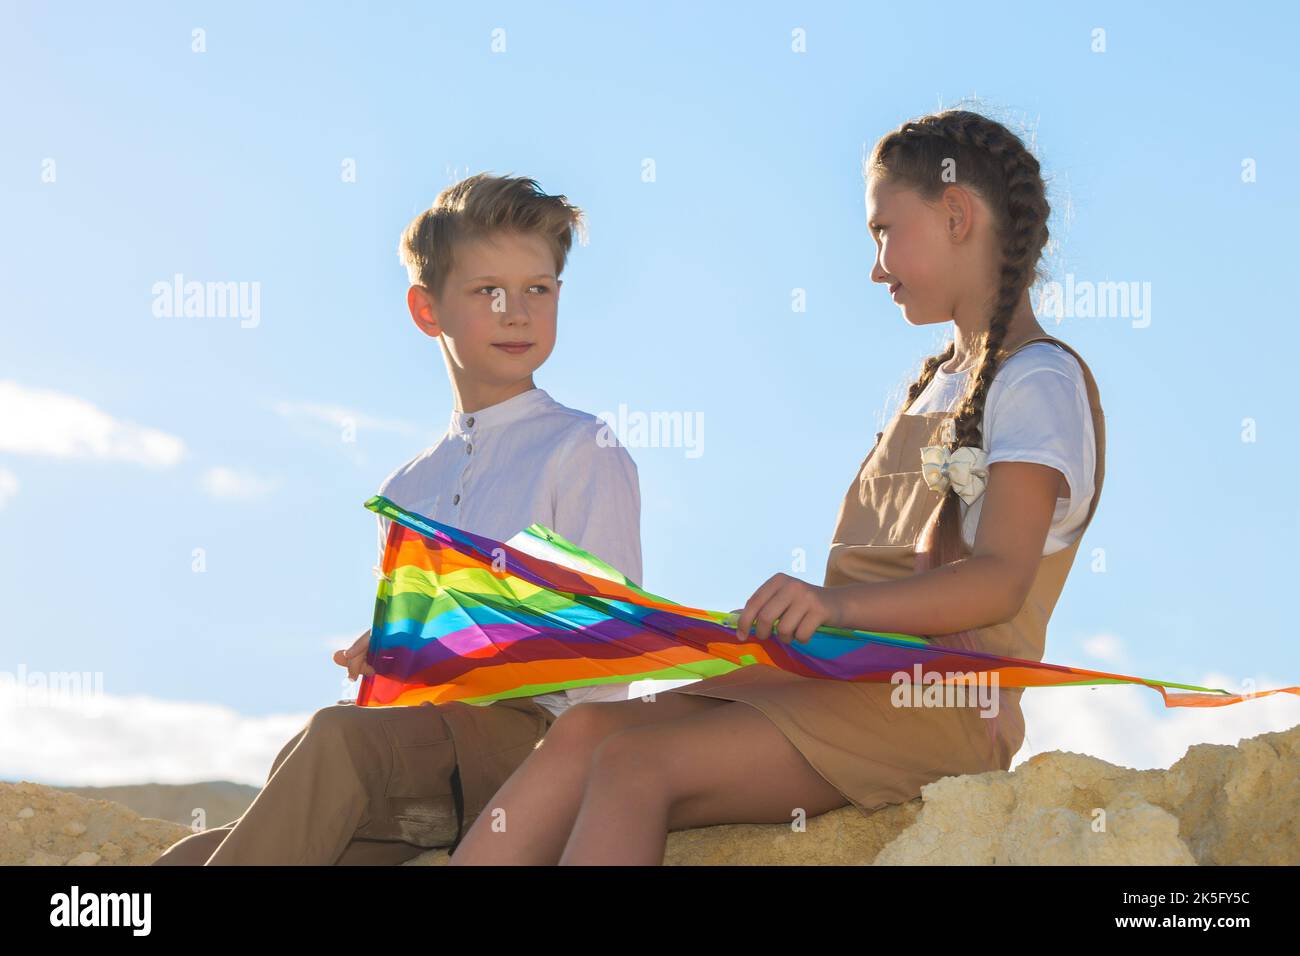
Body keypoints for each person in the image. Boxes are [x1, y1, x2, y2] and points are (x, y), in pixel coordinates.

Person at [448, 109, 1107, 865]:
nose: (875, 265)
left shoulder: (1038, 379)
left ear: (957, 213)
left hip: (936, 706)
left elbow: (998, 582)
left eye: (882, 231)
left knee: (636, 766)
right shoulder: (935, 387)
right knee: (587, 730)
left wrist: (830, 605)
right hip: (841, 679)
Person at [154, 172, 645, 865]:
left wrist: (461, 634)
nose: (518, 312)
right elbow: (417, 670)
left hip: (530, 744)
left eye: (538, 288)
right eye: (487, 291)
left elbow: (610, 649)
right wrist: (398, 643)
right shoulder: (407, 486)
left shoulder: (580, 448)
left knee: (334, 740)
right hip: (418, 752)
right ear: (427, 310)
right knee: (184, 859)